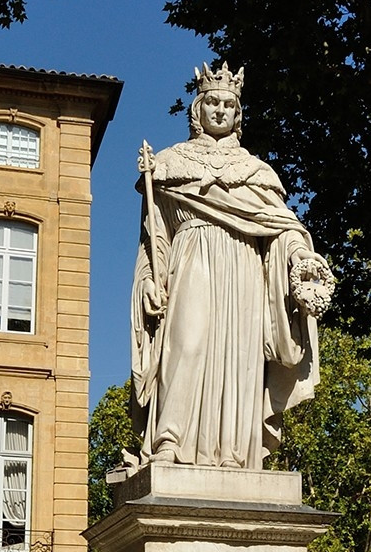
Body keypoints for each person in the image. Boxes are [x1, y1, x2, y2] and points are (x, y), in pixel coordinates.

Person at [125, 62, 332, 469]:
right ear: (197, 110)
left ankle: (236, 453)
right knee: (187, 345)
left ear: (238, 115)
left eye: (228, 105)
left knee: (239, 359)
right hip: (189, 261)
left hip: (243, 270)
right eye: (212, 102)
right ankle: (170, 440)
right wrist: (150, 281)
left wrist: (300, 259)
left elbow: (280, 226)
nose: (220, 110)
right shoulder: (166, 166)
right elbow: (155, 239)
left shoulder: (257, 172)